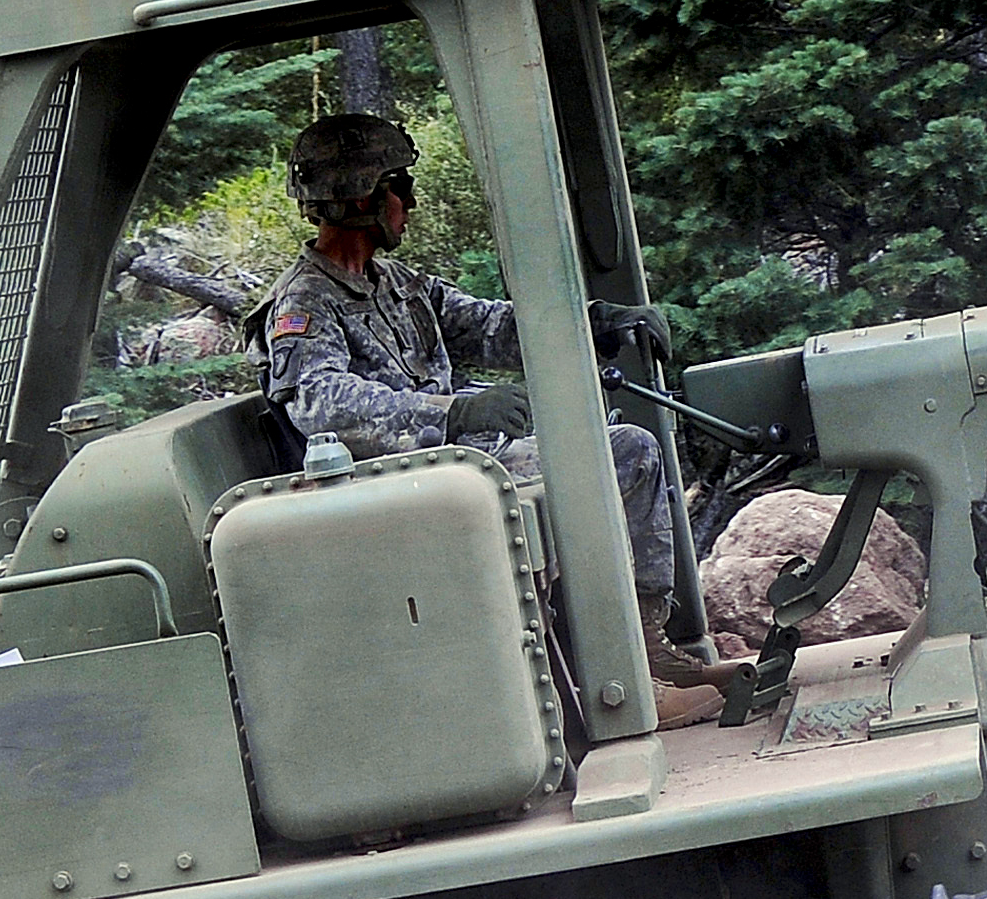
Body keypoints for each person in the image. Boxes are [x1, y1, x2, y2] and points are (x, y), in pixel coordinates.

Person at [259, 111, 751, 724]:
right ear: (360, 196)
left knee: (627, 449)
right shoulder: (304, 301)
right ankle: (619, 676)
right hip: (404, 489)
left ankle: (647, 649)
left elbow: (489, 326)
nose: (409, 202)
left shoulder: (396, 283)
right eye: (399, 186)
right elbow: (320, 400)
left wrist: (594, 322)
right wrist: (455, 412)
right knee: (609, 458)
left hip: (457, 470)